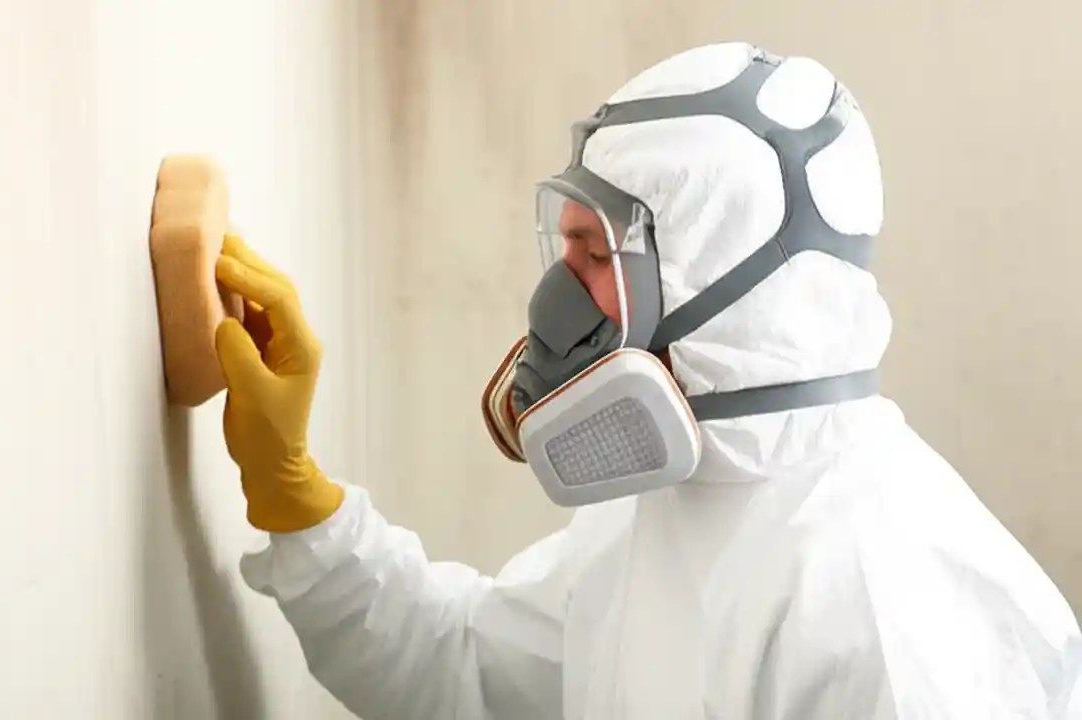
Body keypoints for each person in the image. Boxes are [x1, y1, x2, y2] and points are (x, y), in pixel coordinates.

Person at [211, 43, 1082, 718]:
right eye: (567, 243)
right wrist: (297, 499)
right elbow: (469, 672)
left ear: (729, 287)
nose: (557, 298)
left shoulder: (884, 615)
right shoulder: (676, 509)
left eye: (598, 253)